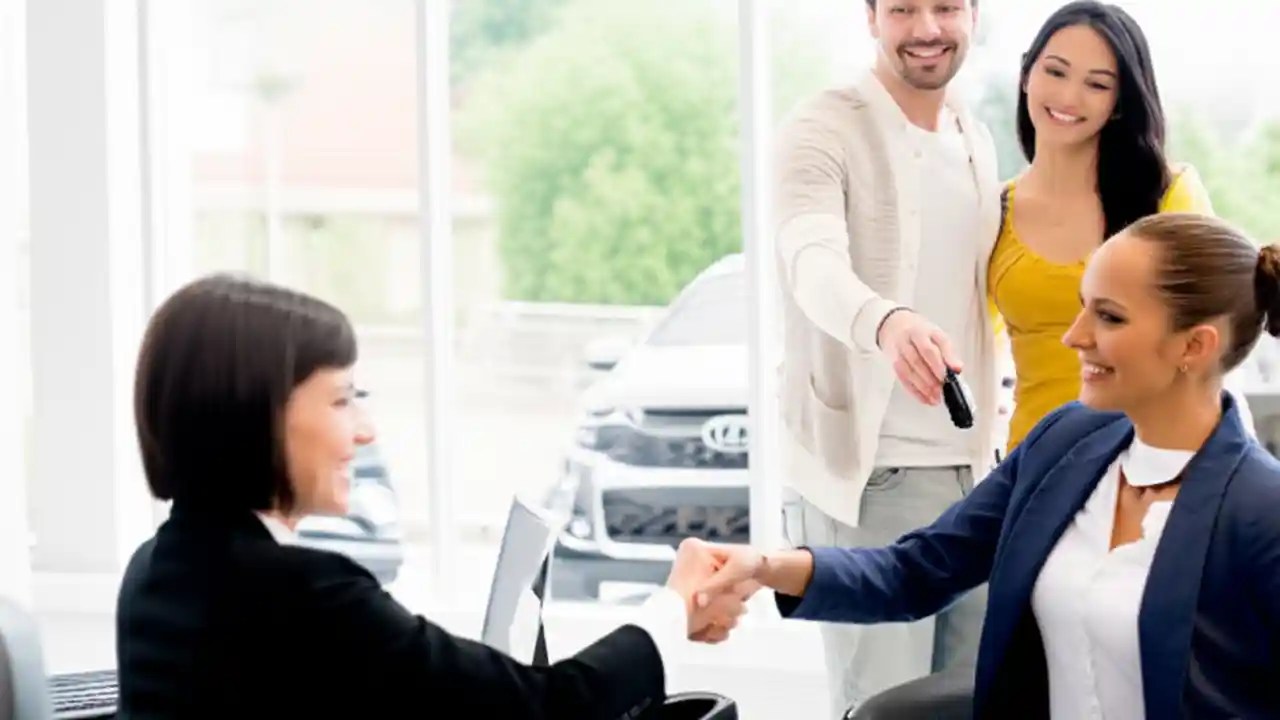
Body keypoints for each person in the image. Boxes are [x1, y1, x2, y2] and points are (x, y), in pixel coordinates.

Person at [696, 213, 1280, 718]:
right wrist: (764, 566)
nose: (1075, 337)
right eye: (1083, 308)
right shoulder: (1065, 443)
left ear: (1193, 346)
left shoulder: (1261, 512)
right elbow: (918, 570)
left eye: (1109, 317)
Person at [114, 274, 751, 718]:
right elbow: (555, 709)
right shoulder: (302, 592)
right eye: (341, 399)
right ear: (254, 416)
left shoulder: (159, 568)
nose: (364, 430)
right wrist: (673, 606)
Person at [772, 0, 1002, 713]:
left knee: (973, 702)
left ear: (974, 13)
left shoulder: (976, 134)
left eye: (945, 7)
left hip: (975, 477)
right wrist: (886, 321)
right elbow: (809, 259)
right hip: (873, 477)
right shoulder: (823, 125)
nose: (927, 29)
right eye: (903, 8)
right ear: (871, 17)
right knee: (884, 709)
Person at [990, 0, 1254, 453]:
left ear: (1117, 104)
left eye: (1097, 84)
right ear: (1025, 75)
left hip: (1152, 460)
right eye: (1055, 72)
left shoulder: (1168, 195)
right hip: (1033, 465)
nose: (1069, 97)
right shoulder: (993, 208)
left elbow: (1213, 342)